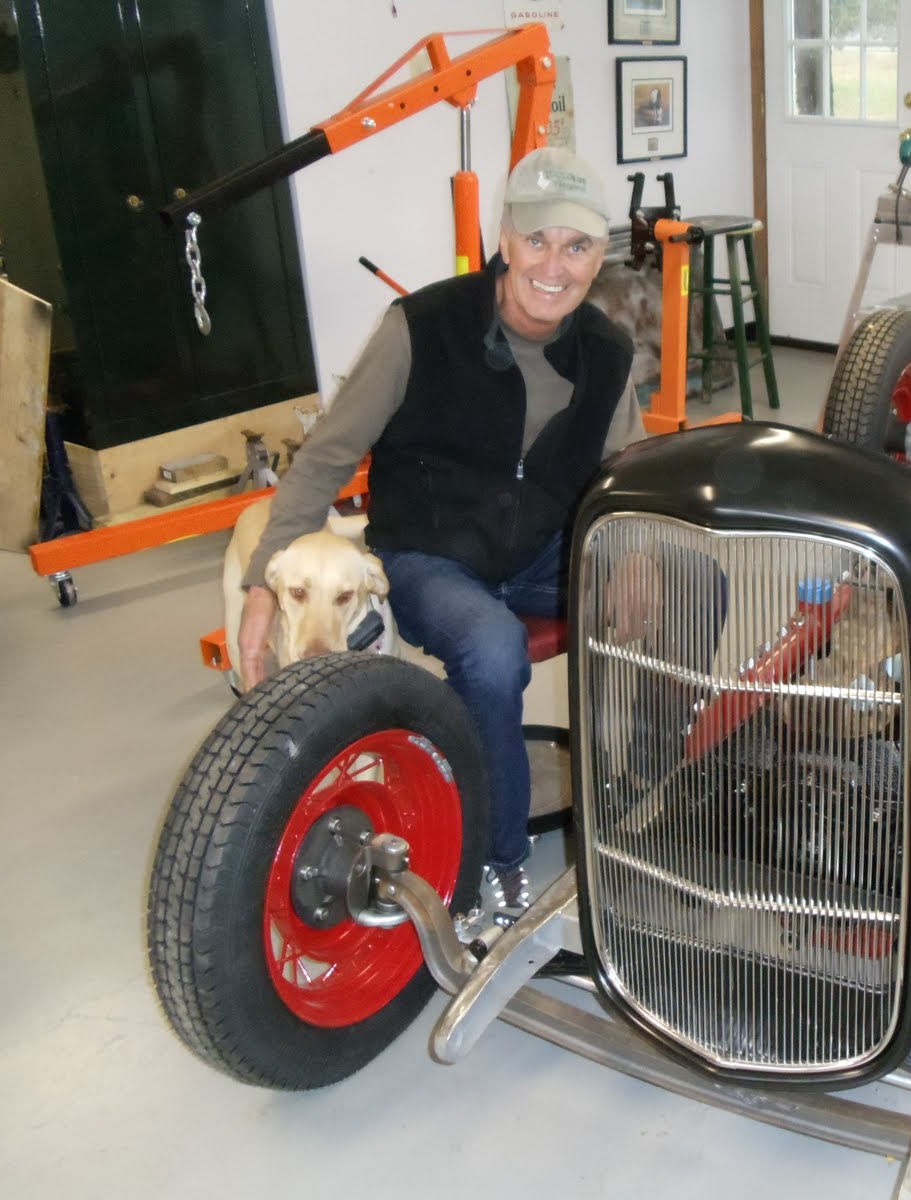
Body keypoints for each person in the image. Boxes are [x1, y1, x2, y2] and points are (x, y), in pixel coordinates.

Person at [235, 146, 648, 911]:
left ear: (598, 258)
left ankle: (647, 796)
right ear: (505, 237)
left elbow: (630, 475)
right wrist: (264, 579)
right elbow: (326, 457)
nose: (554, 265)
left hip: (543, 550)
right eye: (537, 240)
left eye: (577, 246)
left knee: (692, 581)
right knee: (490, 650)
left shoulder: (608, 353)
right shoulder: (419, 328)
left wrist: (638, 554)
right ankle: (497, 855)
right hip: (431, 553)